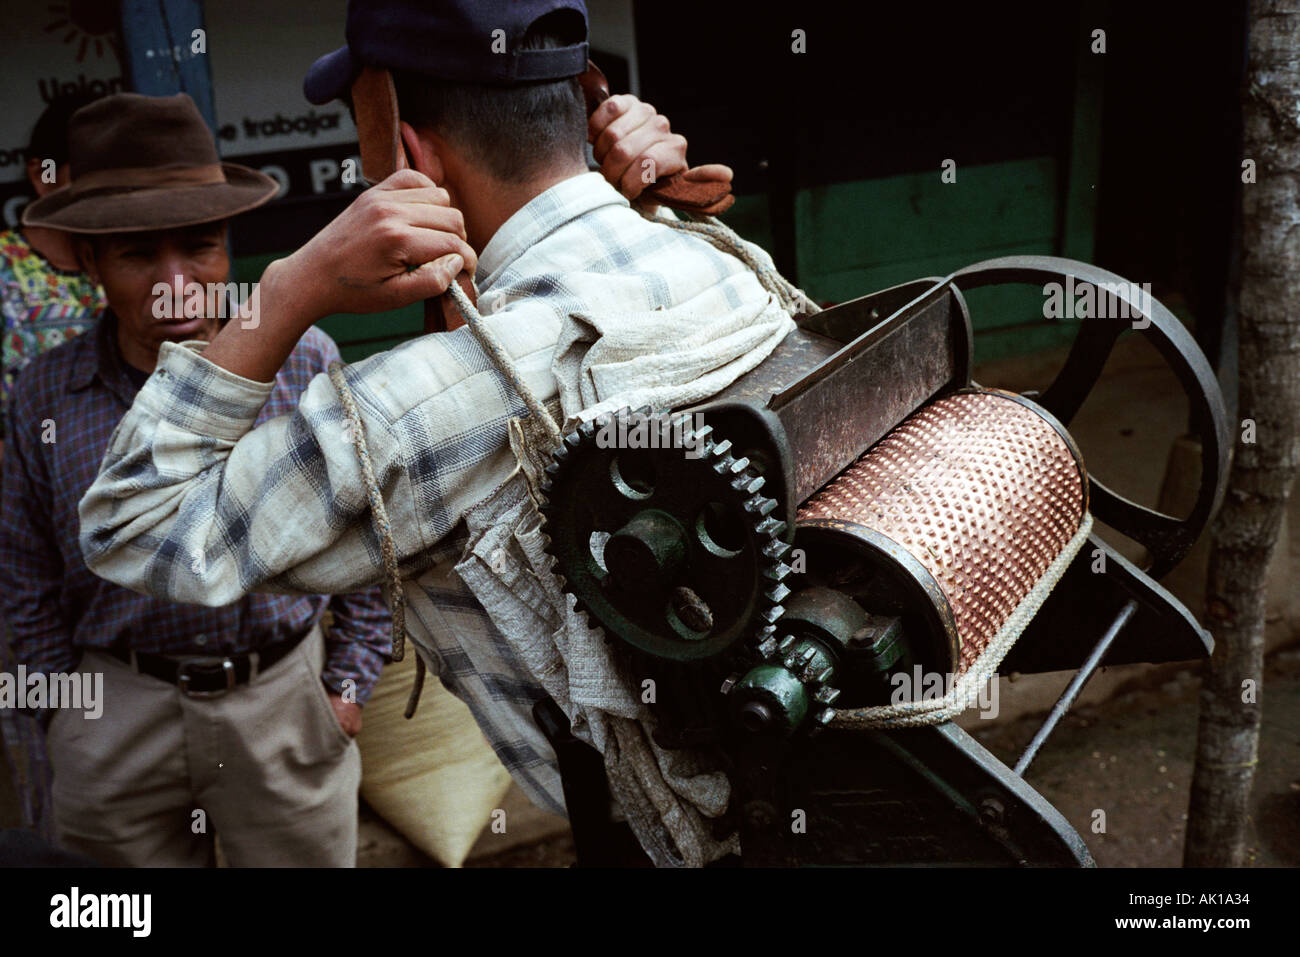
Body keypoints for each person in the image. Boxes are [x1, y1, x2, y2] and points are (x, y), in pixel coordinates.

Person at [78, 0, 809, 866]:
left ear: (408, 149)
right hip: (802, 786)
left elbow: (131, 523)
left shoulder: (417, 409)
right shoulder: (721, 263)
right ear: (583, 105)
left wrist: (292, 284)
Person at [2, 93, 393, 866]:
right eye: (140, 255)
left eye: (201, 247)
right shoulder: (45, 394)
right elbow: (23, 572)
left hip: (282, 700)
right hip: (115, 711)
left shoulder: (305, 361)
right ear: (90, 261)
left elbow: (372, 528)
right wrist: (63, 716)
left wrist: (347, 684)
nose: (178, 282)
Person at [0, 93, 107, 841]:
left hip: (129, 556)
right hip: (29, 547)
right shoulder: (6, 276)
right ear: (45, 177)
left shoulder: (137, 258)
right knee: (47, 730)